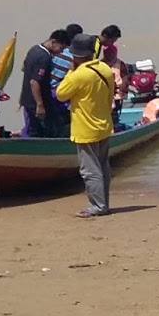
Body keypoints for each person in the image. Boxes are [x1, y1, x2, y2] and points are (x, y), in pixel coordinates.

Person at [56, 34, 115, 218]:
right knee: (103, 166)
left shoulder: (79, 75)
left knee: (90, 170)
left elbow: (60, 94)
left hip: (86, 128)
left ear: (76, 56)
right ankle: (103, 202)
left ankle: (98, 206)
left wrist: (71, 71)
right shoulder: (105, 69)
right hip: (104, 124)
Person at [19, 29, 71, 137]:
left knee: (33, 129)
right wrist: (40, 105)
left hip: (27, 98)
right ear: (53, 42)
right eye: (61, 48)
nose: (60, 52)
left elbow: (24, 68)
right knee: (41, 131)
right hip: (36, 102)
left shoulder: (34, 49)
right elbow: (35, 82)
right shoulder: (44, 57)